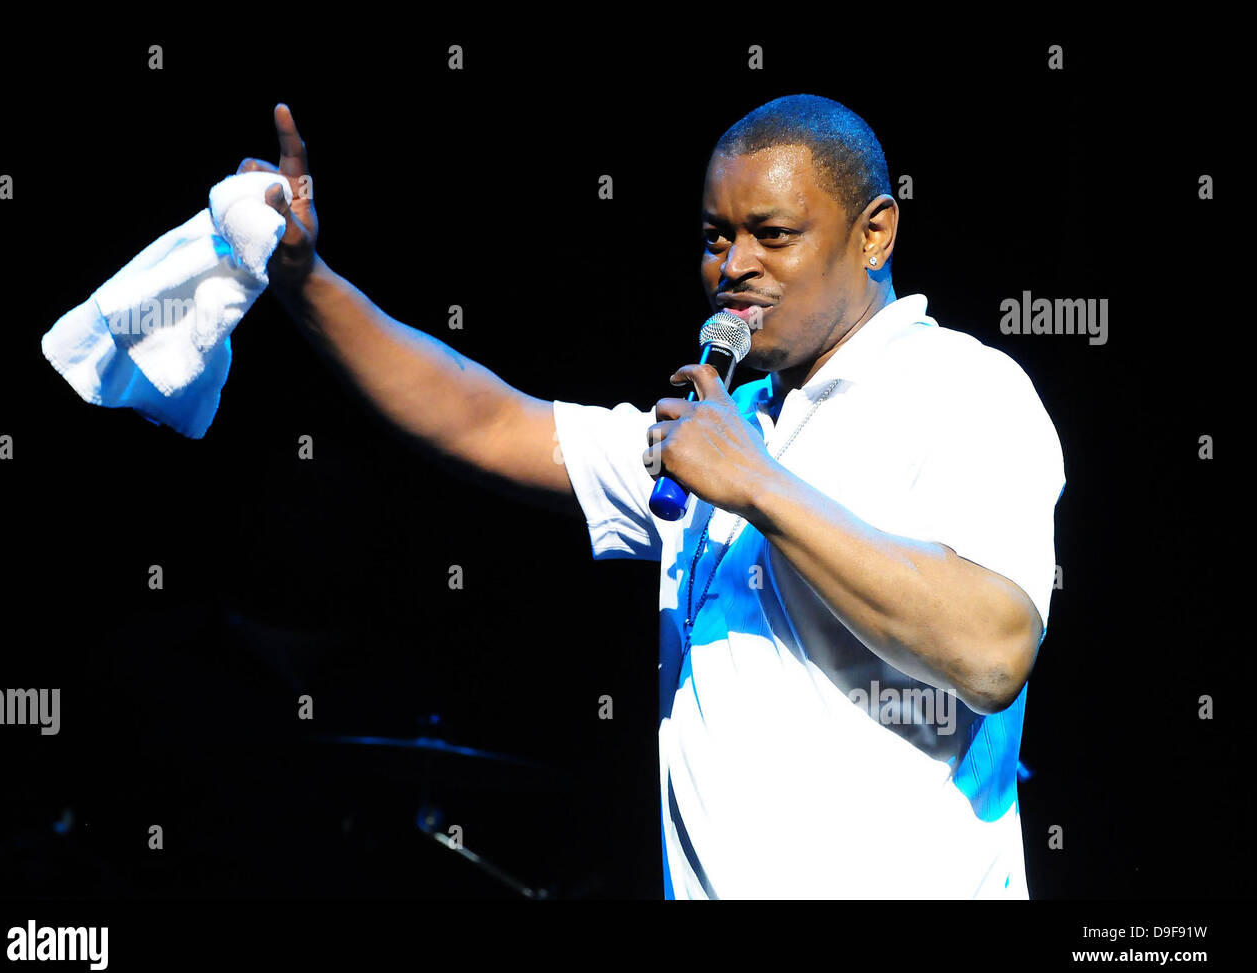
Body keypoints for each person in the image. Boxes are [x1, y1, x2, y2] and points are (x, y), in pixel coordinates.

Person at [244, 94, 1065, 899]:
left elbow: (993, 651)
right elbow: (484, 419)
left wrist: (755, 484)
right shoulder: (720, 428)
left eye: (773, 235)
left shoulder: (960, 388)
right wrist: (305, 281)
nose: (733, 266)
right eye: (717, 237)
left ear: (874, 232)